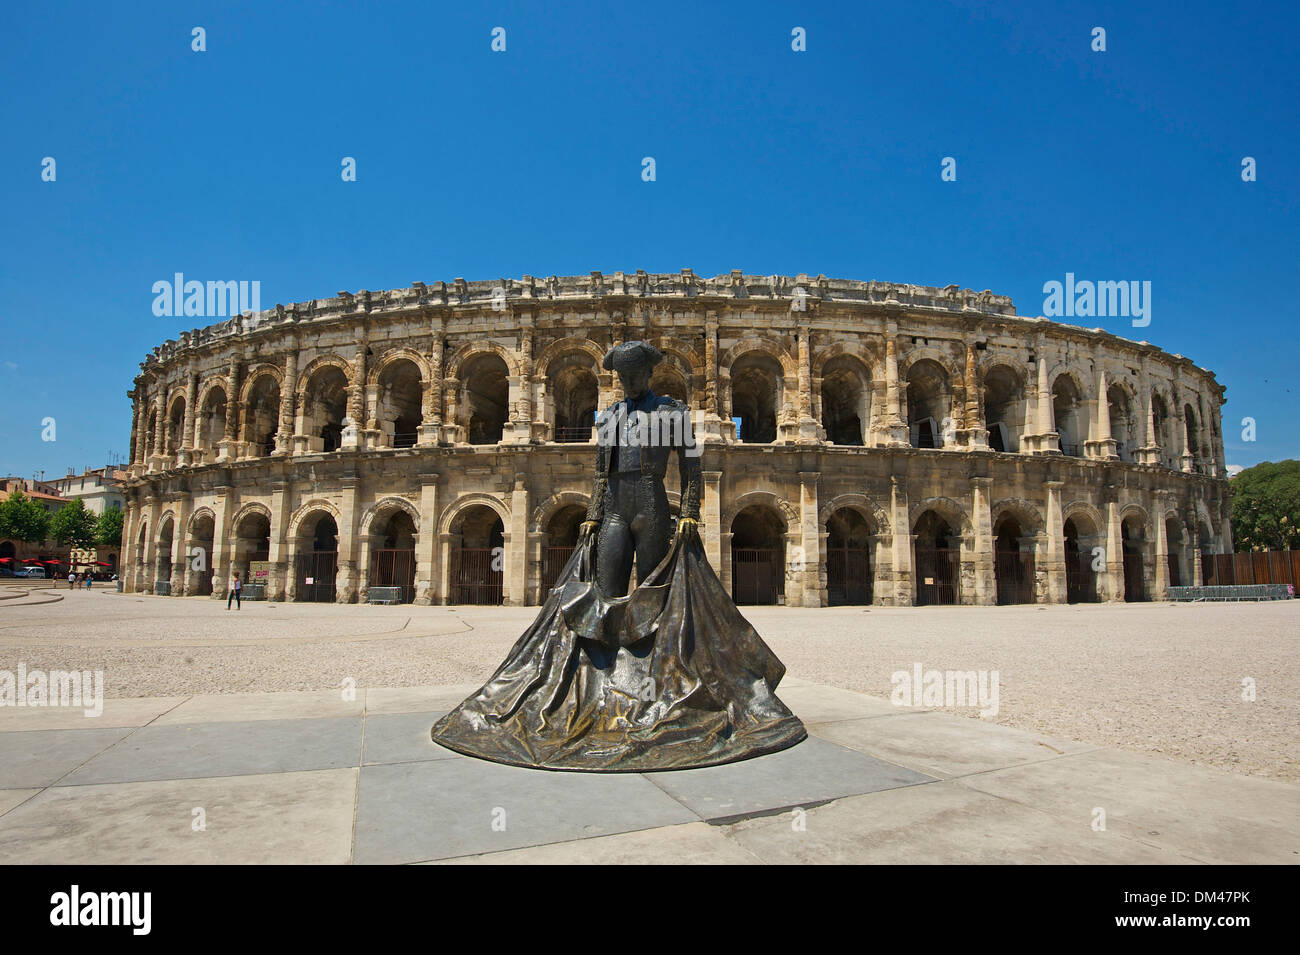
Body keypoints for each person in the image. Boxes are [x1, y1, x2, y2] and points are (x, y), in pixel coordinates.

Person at [432, 340, 806, 772]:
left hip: (651, 502)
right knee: (603, 591)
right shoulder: (610, 416)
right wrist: (592, 514)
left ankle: (647, 688)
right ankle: (599, 687)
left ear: (648, 375)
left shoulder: (670, 413)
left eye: (634, 376)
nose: (628, 383)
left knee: (651, 594)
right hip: (615, 507)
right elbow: (600, 472)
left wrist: (688, 513)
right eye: (622, 377)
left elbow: (690, 466)